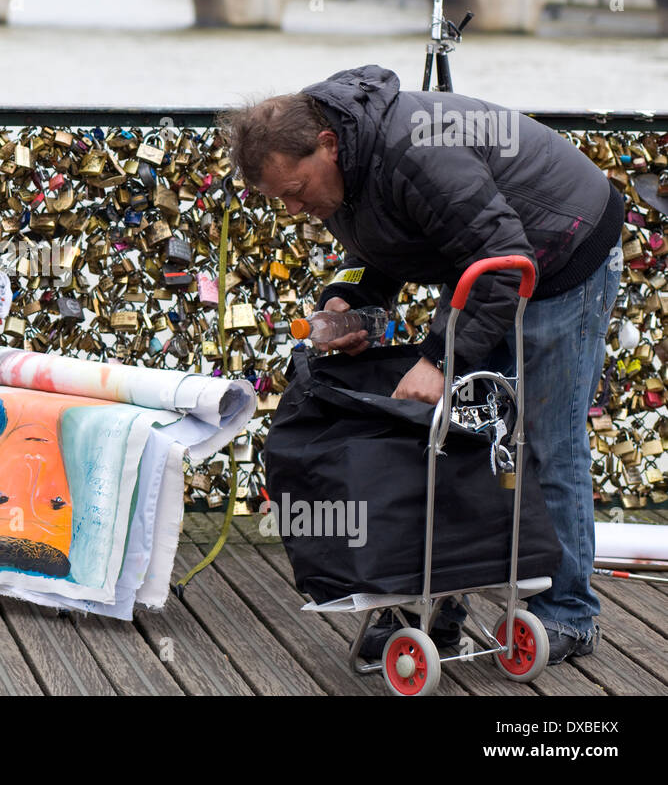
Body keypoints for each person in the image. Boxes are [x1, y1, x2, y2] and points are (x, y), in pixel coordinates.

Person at [221, 65, 624, 665]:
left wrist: (441, 358)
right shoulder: (341, 170)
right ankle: (437, 606)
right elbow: (386, 243)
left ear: (327, 144)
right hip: (487, 268)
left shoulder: (416, 148)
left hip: (562, 256)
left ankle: (569, 615)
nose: (295, 208)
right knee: (447, 434)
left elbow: (503, 255)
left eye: (295, 190)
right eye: (281, 199)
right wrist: (349, 299)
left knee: (543, 440)